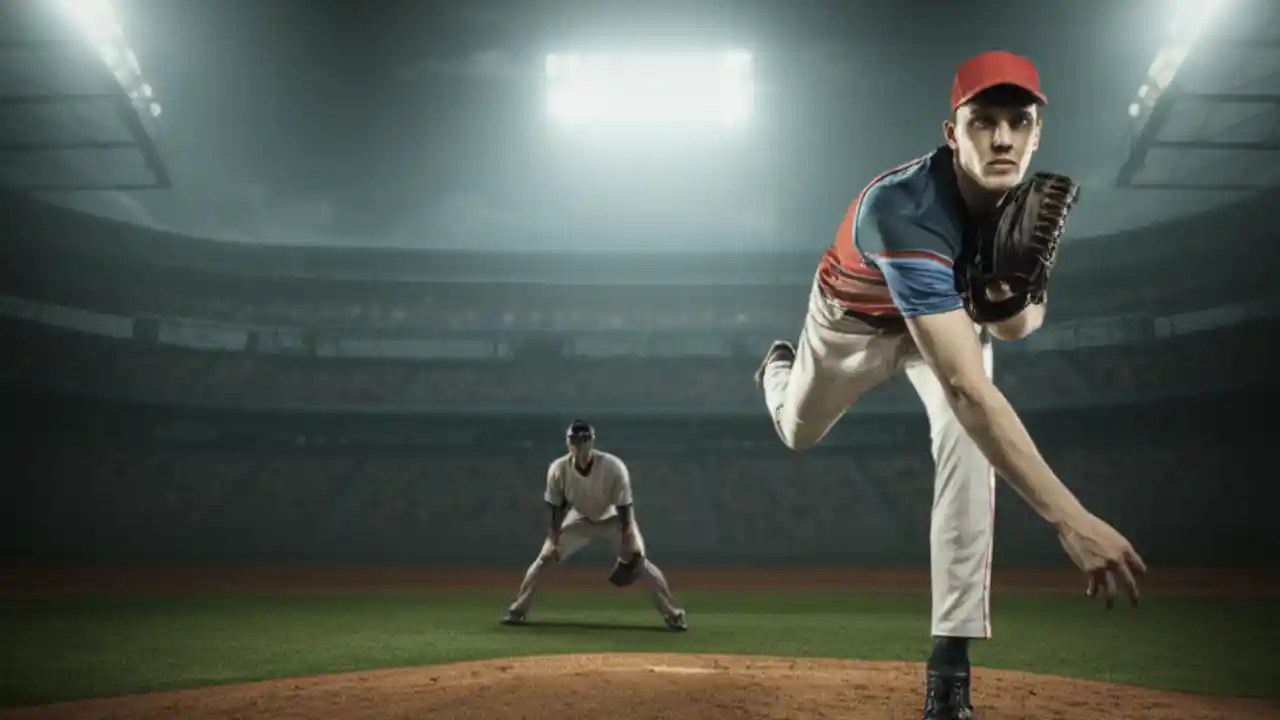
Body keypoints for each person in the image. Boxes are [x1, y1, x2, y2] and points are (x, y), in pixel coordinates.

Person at [754, 50, 1147, 719]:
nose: (1003, 138)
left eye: (1019, 121)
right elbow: (968, 388)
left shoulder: (1027, 204)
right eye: (983, 120)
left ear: (1036, 133)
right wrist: (1071, 521)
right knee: (796, 430)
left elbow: (1020, 327)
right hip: (850, 322)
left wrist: (1009, 292)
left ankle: (950, 667)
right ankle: (776, 369)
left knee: (970, 449)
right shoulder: (900, 210)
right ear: (951, 131)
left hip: (943, 323)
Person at [501, 419, 687, 631]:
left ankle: (673, 614)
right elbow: (556, 507)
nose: (578, 444)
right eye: (573, 439)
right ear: (567, 442)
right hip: (578, 519)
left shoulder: (613, 466)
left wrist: (629, 540)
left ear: (592, 441)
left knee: (640, 563)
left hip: (612, 518)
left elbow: (625, 506)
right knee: (544, 560)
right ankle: (517, 611)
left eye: (583, 439)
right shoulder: (558, 469)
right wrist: (552, 539)